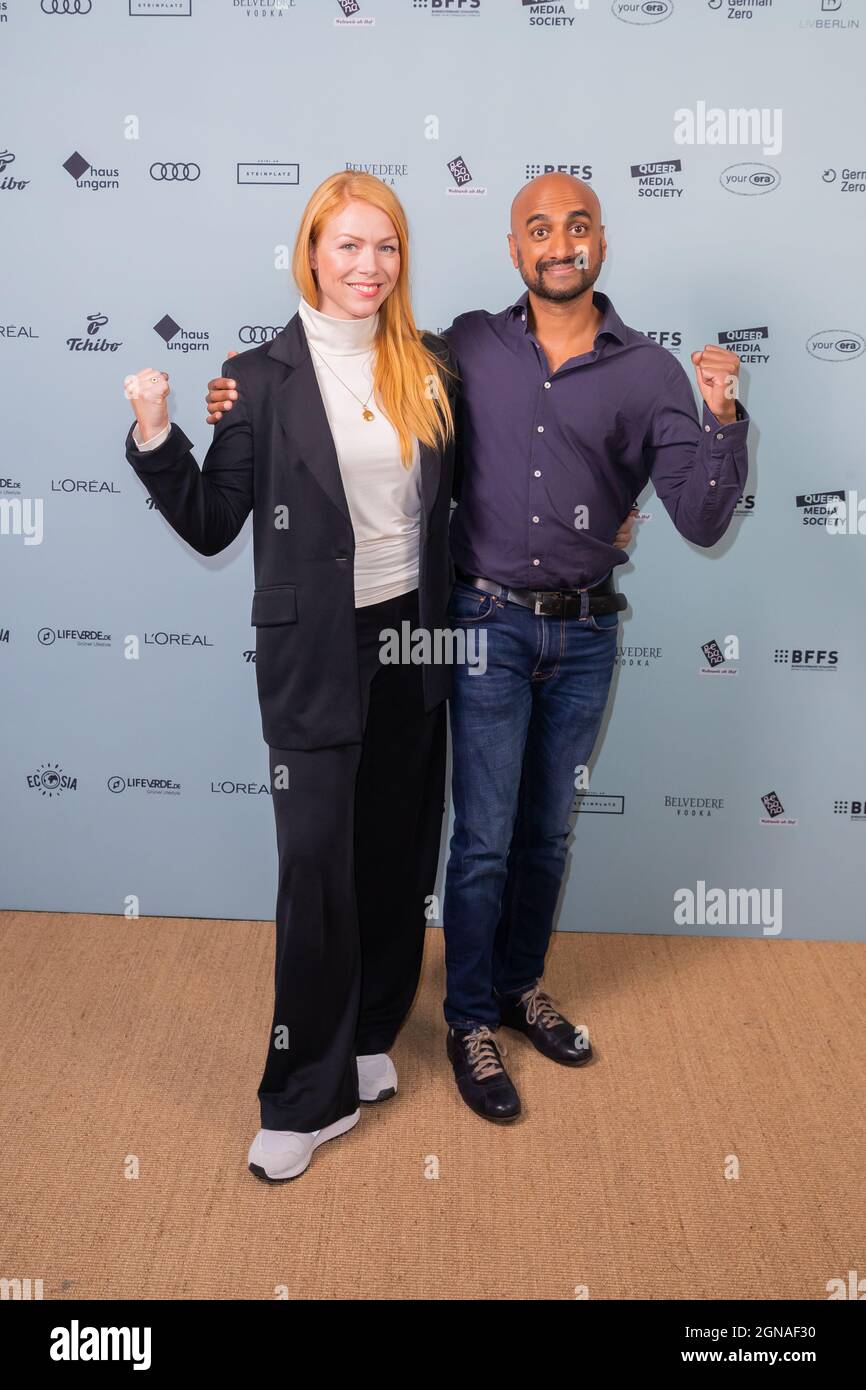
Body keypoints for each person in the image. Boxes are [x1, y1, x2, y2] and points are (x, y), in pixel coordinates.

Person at [122, 171, 459, 1180]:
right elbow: (216, 518)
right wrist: (155, 435)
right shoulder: (256, 375)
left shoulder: (428, 363)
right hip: (318, 647)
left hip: (418, 638)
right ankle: (301, 1093)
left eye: (385, 247)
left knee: (399, 852)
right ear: (309, 252)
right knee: (316, 871)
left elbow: (463, 502)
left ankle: (365, 1040)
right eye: (347, 246)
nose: (368, 266)